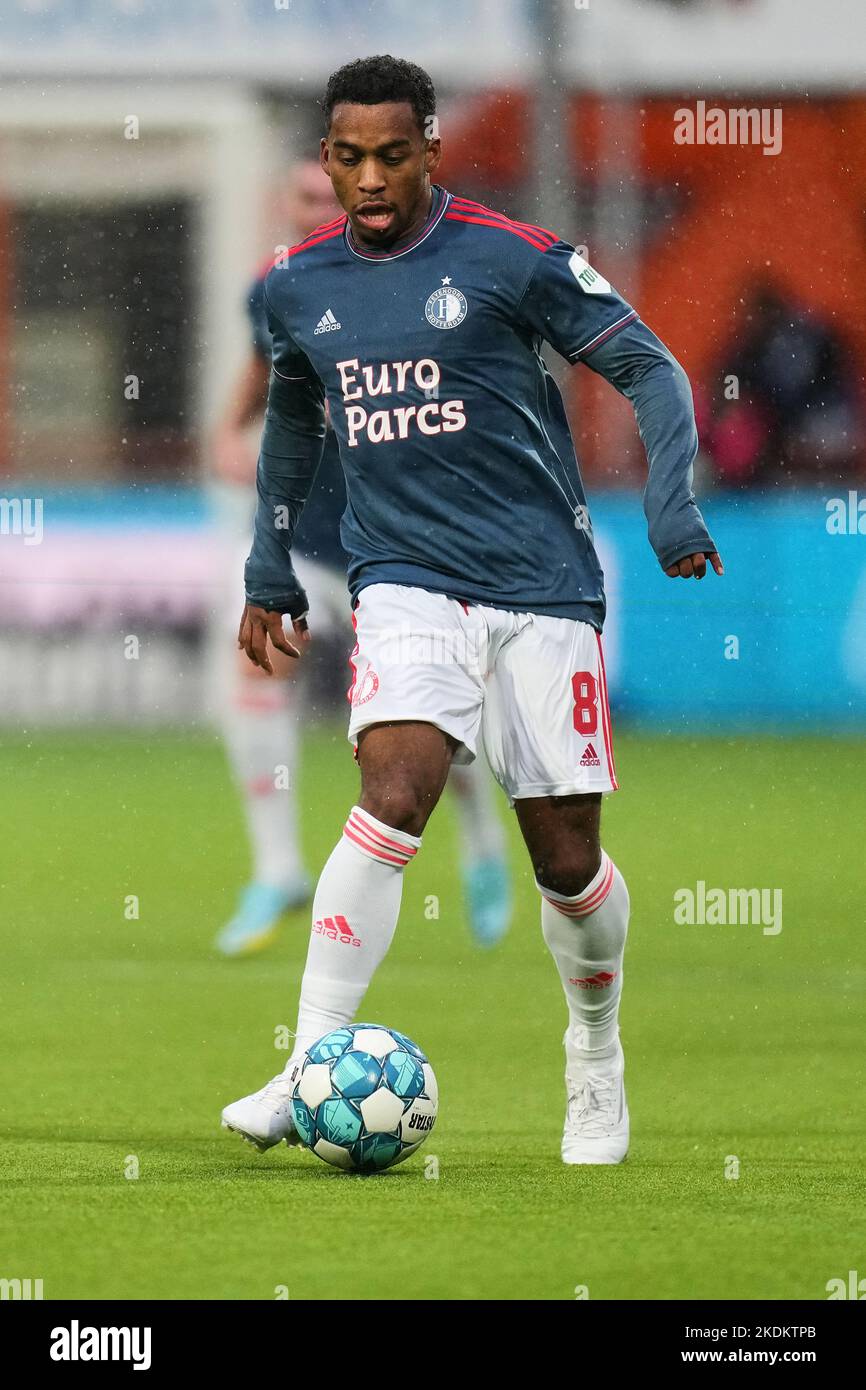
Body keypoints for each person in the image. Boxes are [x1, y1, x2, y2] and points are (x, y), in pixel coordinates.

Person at [222, 55, 722, 1165]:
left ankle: (594, 1059)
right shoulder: (300, 285)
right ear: (325, 158)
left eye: (390, 155)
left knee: (565, 860)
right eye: (347, 157)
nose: (368, 178)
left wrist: (669, 504)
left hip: (540, 586)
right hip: (400, 576)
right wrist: (267, 566)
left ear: (430, 148)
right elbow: (296, 426)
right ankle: (309, 1062)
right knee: (391, 785)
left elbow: (649, 368)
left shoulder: (510, 258)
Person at [211, 157, 512, 956]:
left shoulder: (409, 283)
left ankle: (483, 848)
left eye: (328, 196)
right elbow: (258, 375)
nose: (318, 208)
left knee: (433, 716)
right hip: (303, 534)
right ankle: (277, 868)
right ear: (286, 204)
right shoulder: (273, 290)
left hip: (400, 540)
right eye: (305, 196)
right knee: (255, 675)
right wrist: (223, 433)